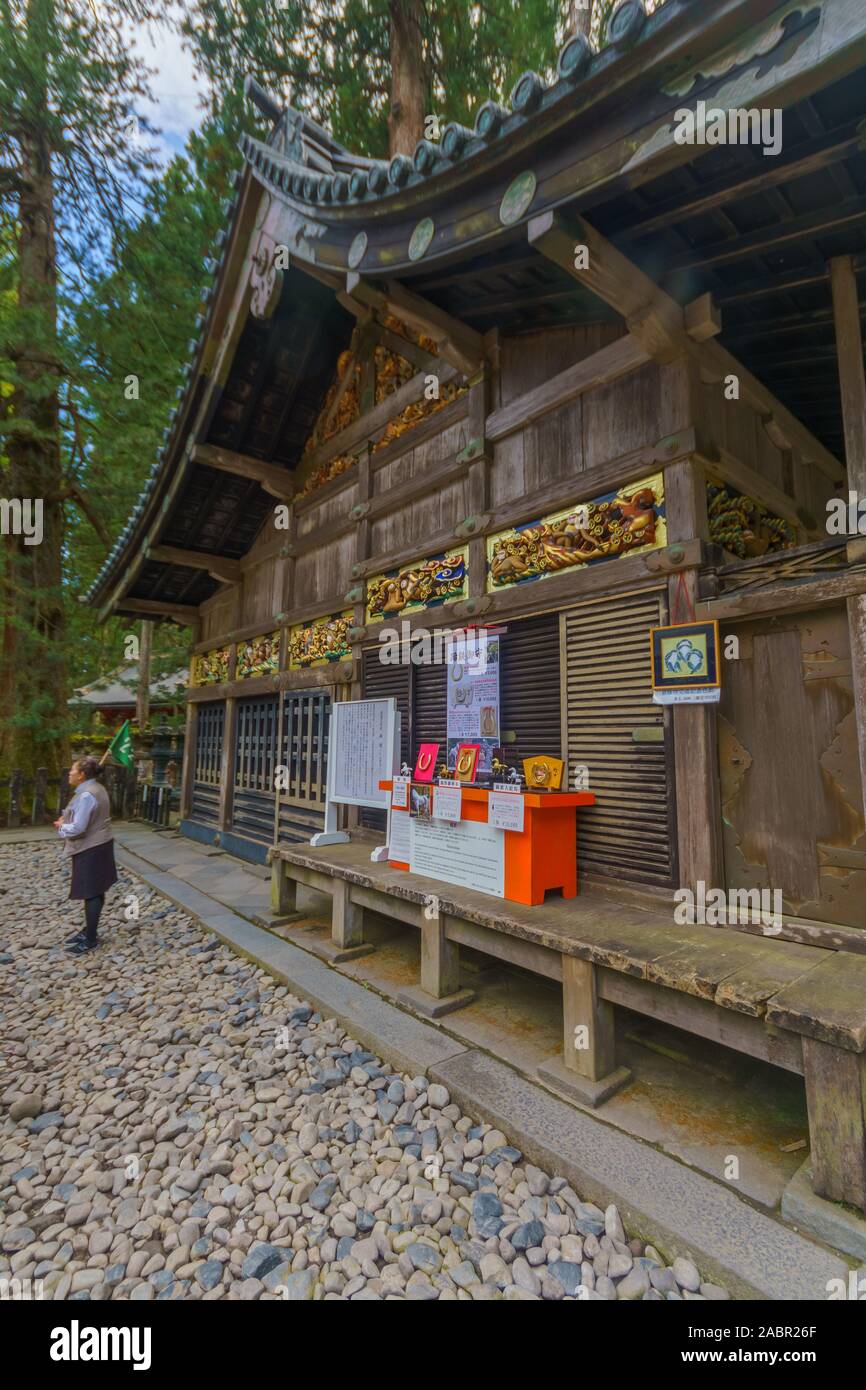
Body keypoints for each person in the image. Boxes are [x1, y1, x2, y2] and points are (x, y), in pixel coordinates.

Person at [54, 755, 118, 955]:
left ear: (82, 775)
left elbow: (79, 827)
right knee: (96, 890)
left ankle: (91, 939)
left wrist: (62, 827)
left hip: (91, 847)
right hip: (100, 843)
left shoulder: (86, 795)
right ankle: (89, 930)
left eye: (72, 770)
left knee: (91, 892)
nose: (69, 773)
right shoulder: (96, 789)